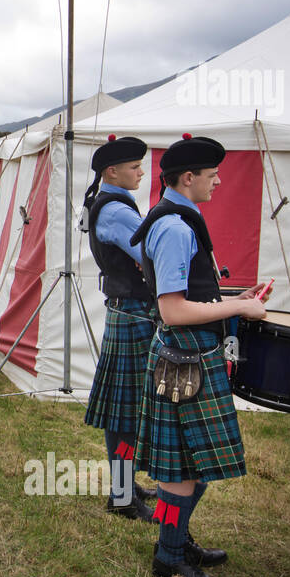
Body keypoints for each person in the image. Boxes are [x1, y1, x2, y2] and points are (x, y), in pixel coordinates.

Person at [129, 134, 269, 577]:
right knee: (183, 473)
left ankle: (175, 540)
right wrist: (238, 312)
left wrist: (232, 299)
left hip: (188, 358)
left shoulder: (178, 218)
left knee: (193, 468)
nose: (219, 181)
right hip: (183, 361)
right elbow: (172, 310)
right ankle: (170, 557)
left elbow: (190, 295)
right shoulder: (174, 228)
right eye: (212, 175)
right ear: (188, 178)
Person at [82, 135, 159, 522]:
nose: (142, 172)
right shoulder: (117, 211)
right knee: (125, 412)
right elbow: (152, 255)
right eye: (135, 167)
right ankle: (123, 495)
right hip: (133, 312)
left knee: (123, 410)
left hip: (126, 311)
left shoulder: (112, 203)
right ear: (112, 171)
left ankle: (123, 487)